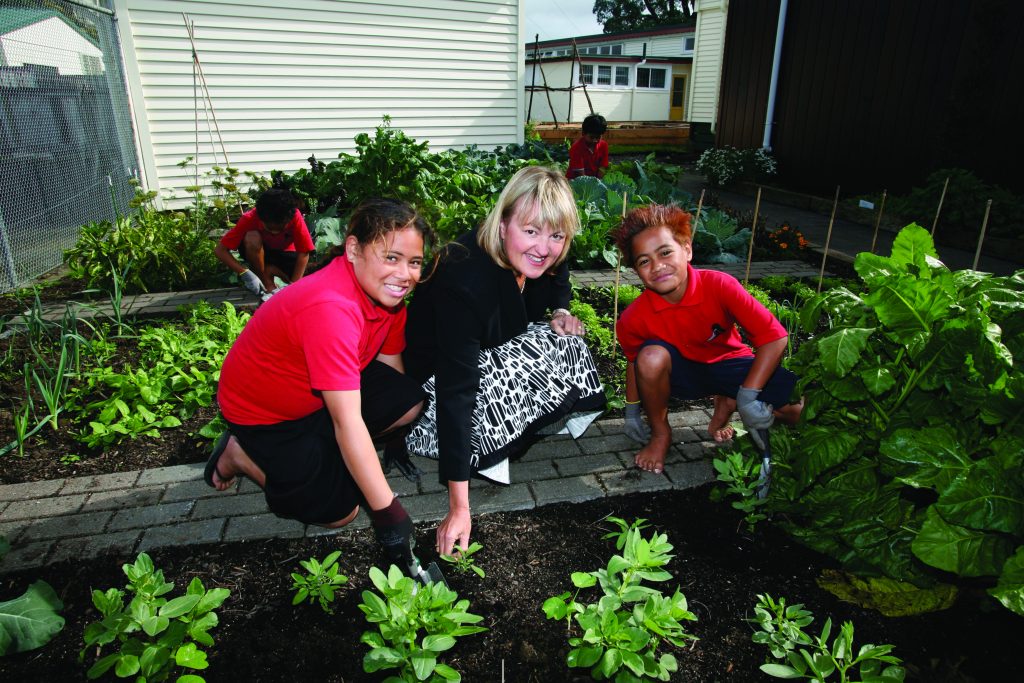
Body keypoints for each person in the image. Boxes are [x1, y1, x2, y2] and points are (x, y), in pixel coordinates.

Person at [208, 198, 431, 573]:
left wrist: (395, 434)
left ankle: (326, 454)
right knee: (340, 512)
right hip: (266, 413)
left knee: (409, 402)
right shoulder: (332, 308)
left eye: (414, 262)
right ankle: (239, 454)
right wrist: (388, 511)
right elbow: (348, 422)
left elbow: (391, 372)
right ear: (353, 250)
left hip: (314, 394)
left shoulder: (389, 299)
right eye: (391, 257)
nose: (405, 274)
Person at [402, 166, 605, 556]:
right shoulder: (462, 277)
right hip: (433, 387)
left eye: (557, 236)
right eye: (531, 231)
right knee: (499, 376)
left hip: (494, 347)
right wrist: (459, 508)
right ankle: (483, 453)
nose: (544, 248)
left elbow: (559, 275)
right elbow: (455, 390)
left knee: (566, 338)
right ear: (502, 226)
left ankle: (524, 429)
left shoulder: (541, 252)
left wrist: (561, 310)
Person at [613, 204, 803, 475]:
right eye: (644, 261)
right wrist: (632, 411)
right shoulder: (632, 319)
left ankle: (730, 400)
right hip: (683, 375)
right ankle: (661, 434)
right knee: (650, 357)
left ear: (687, 250)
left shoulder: (720, 285)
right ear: (636, 271)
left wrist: (749, 397)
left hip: (728, 362)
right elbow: (634, 362)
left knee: (798, 410)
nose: (658, 266)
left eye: (665, 252)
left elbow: (773, 337)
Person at [214, 188, 315, 297]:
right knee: (252, 237)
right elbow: (220, 250)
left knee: (308, 280)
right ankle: (268, 284)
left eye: (280, 228)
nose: (274, 232)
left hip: (285, 254)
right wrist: (244, 273)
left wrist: (293, 285)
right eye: (269, 228)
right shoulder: (249, 218)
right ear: (260, 217)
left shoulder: (295, 216)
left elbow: (304, 252)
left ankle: (271, 270)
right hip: (259, 254)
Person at [567, 113, 609, 180]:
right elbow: (580, 175)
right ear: (583, 133)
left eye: (598, 137)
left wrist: (598, 182)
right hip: (575, 181)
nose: (595, 140)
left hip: (595, 181)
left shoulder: (604, 146)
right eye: (591, 137)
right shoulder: (576, 148)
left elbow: (603, 167)